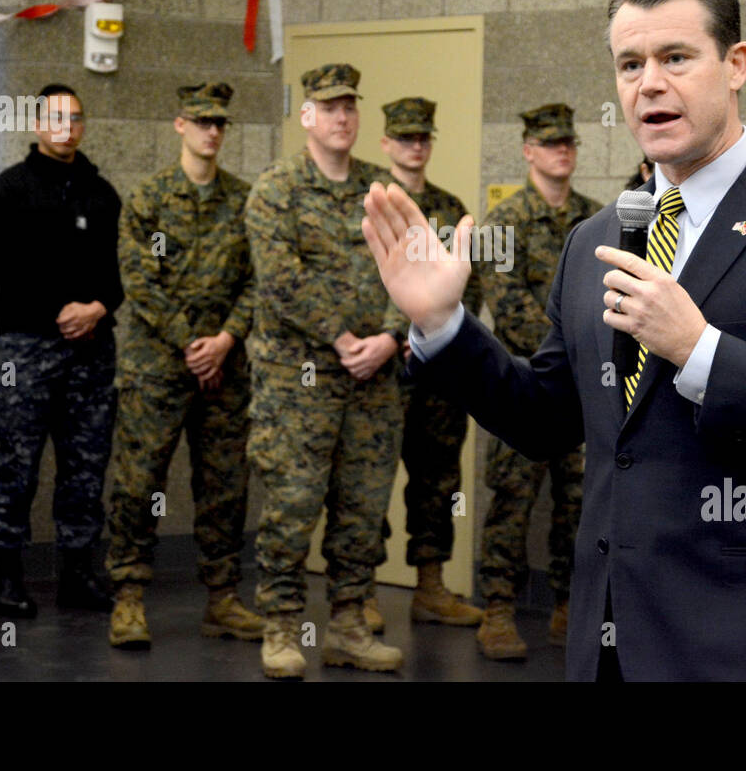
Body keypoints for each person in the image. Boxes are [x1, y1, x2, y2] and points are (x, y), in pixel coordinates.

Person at [362, 0, 746, 681]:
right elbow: (546, 417)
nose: (648, 83)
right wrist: (444, 326)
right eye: (629, 64)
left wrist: (703, 351)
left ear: (736, 64)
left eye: (676, 57)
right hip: (608, 639)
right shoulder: (594, 239)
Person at [244, 63, 408, 679]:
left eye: (350, 107)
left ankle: (347, 627)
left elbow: (410, 263)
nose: (342, 118)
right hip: (299, 382)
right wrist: (344, 340)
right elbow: (281, 281)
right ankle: (282, 628)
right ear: (307, 116)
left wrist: (390, 338)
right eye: (329, 107)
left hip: (374, 381)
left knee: (363, 511)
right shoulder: (277, 188)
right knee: (292, 508)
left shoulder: (382, 188)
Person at [105, 82, 262, 650]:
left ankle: (222, 598)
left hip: (224, 370)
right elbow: (138, 283)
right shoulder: (149, 199)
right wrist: (192, 344)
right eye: (201, 121)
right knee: (139, 481)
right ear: (179, 125)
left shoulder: (245, 201)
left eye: (219, 122)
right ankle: (127, 597)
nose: (212, 131)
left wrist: (224, 340)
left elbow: (256, 281)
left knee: (224, 485)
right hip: (158, 369)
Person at [0, 84, 123, 618]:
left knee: (85, 469)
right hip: (26, 349)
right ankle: (7, 577)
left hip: (91, 352)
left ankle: (78, 575)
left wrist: (97, 309)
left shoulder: (102, 194)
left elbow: (118, 275)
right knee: (17, 466)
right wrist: (63, 313)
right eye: (56, 117)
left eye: (76, 117)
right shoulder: (7, 192)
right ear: (38, 124)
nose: (67, 126)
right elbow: (3, 273)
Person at [472, 104, 600, 661]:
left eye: (567, 142)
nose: (561, 151)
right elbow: (508, 305)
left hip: (585, 393)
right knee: (512, 503)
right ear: (528, 151)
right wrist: (574, 339)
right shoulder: (503, 224)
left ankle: (570, 608)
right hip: (525, 383)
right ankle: (497, 609)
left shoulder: (598, 220)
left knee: (580, 505)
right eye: (549, 144)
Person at [365, 96, 484, 631]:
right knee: (367, 480)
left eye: (423, 137)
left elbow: (468, 281)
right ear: (386, 142)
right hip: (377, 371)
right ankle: (359, 589)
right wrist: (394, 334)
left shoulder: (450, 206)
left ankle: (430, 586)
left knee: (437, 481)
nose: (416, 146)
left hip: (434, 370)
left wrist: (431, 331)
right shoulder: (367, 202)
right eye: (405, 137)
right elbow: (352, 283)